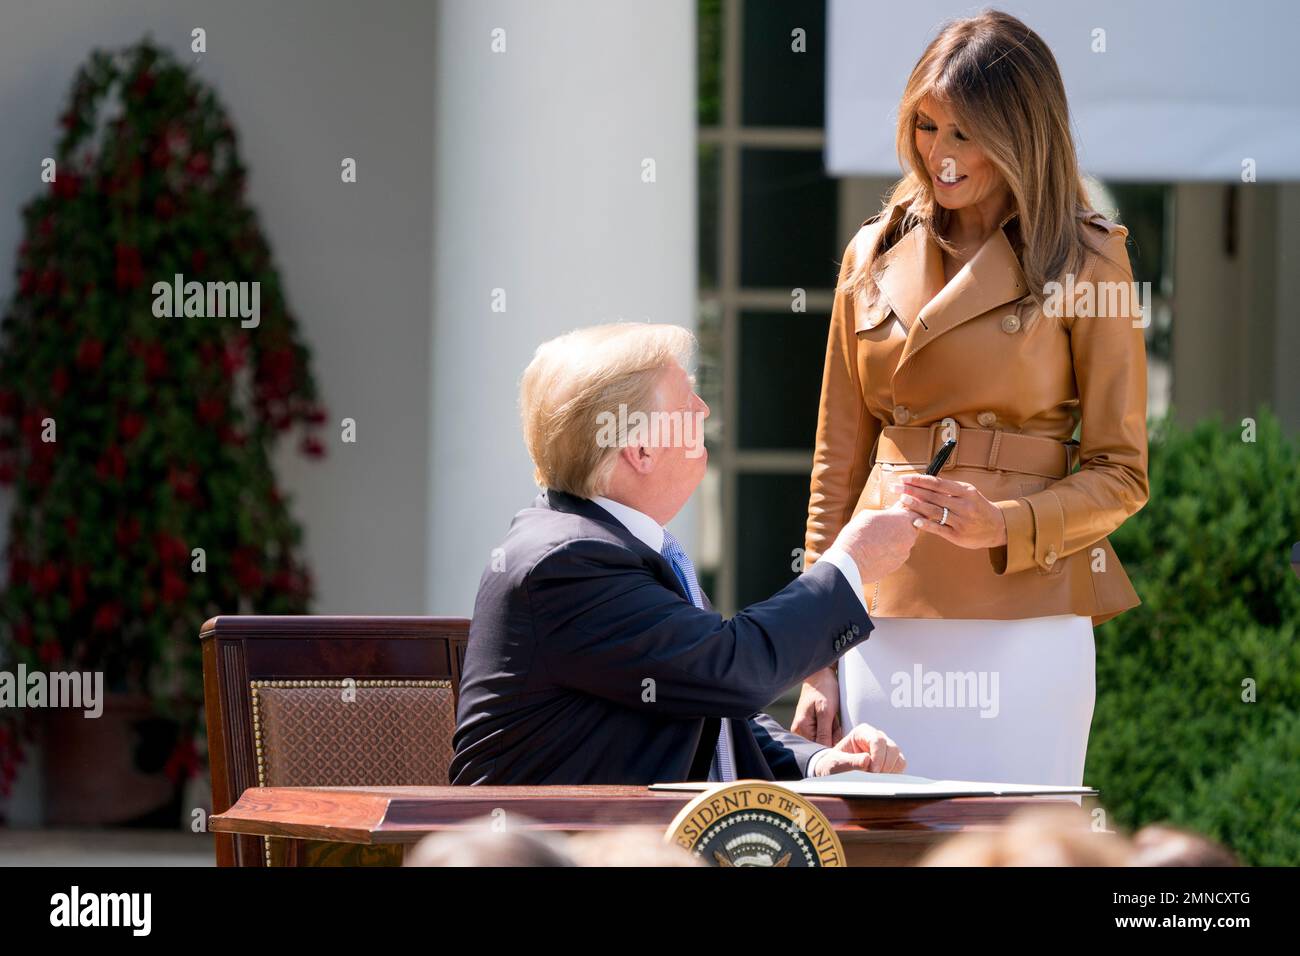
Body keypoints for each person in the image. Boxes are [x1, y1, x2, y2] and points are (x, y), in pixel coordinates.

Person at [794, 10, 1149, 788]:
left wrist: (1007, 525)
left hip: (1029, 606)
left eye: (967, 134)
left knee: (1021, 841)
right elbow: (836, 470)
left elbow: (1123, 473)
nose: (941, 156)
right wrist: (812, 646)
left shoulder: (1089, 260)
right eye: (927, 126)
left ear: (1024, 132)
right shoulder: (873, 250)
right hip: (882, 605)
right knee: (889, 840)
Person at [450, 322, 915, 785]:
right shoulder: (570, 561)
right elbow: (730, 671)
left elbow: (706, 704)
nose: (704, 409)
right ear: (641, 449)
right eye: (686, 404)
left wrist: (814, 762)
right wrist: (850, 563)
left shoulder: (614, 545)